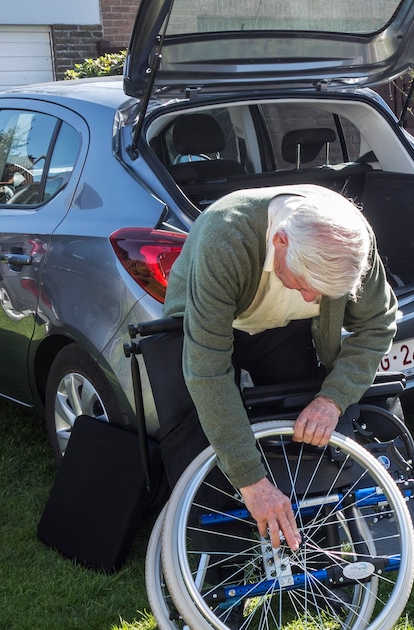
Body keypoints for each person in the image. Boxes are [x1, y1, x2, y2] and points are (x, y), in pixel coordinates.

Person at [162, 183, 398, 550]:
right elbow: (207, 372)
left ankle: (315, 551)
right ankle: (222, 571)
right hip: (203, 323)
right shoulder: (225, 237)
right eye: (306, 283)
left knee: (304, 429)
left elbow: (377, 324)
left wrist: (332, 399)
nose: (309, 298)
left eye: (323, 294)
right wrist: (250, 480)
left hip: (282, 328)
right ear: (281, 242)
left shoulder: (351, 242)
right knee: (198, 434)